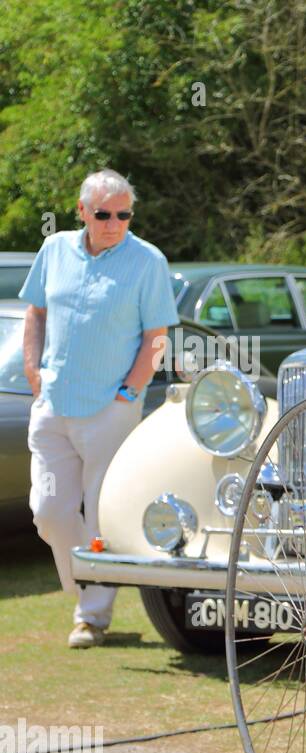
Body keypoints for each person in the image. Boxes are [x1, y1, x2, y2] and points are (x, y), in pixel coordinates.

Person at [21, 169, 179, 648]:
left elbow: (157, 339)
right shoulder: (54, 251)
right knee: (47, 511)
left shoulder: (147, 260)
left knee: (101, 515)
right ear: (82, 211)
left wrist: (130, 392)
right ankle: (89, 584)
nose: (115, 222)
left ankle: (91, 616)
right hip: (52, 404)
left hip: (111, 408)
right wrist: (34, 375)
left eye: (124, 214)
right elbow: (36, 313)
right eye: (105, 213)